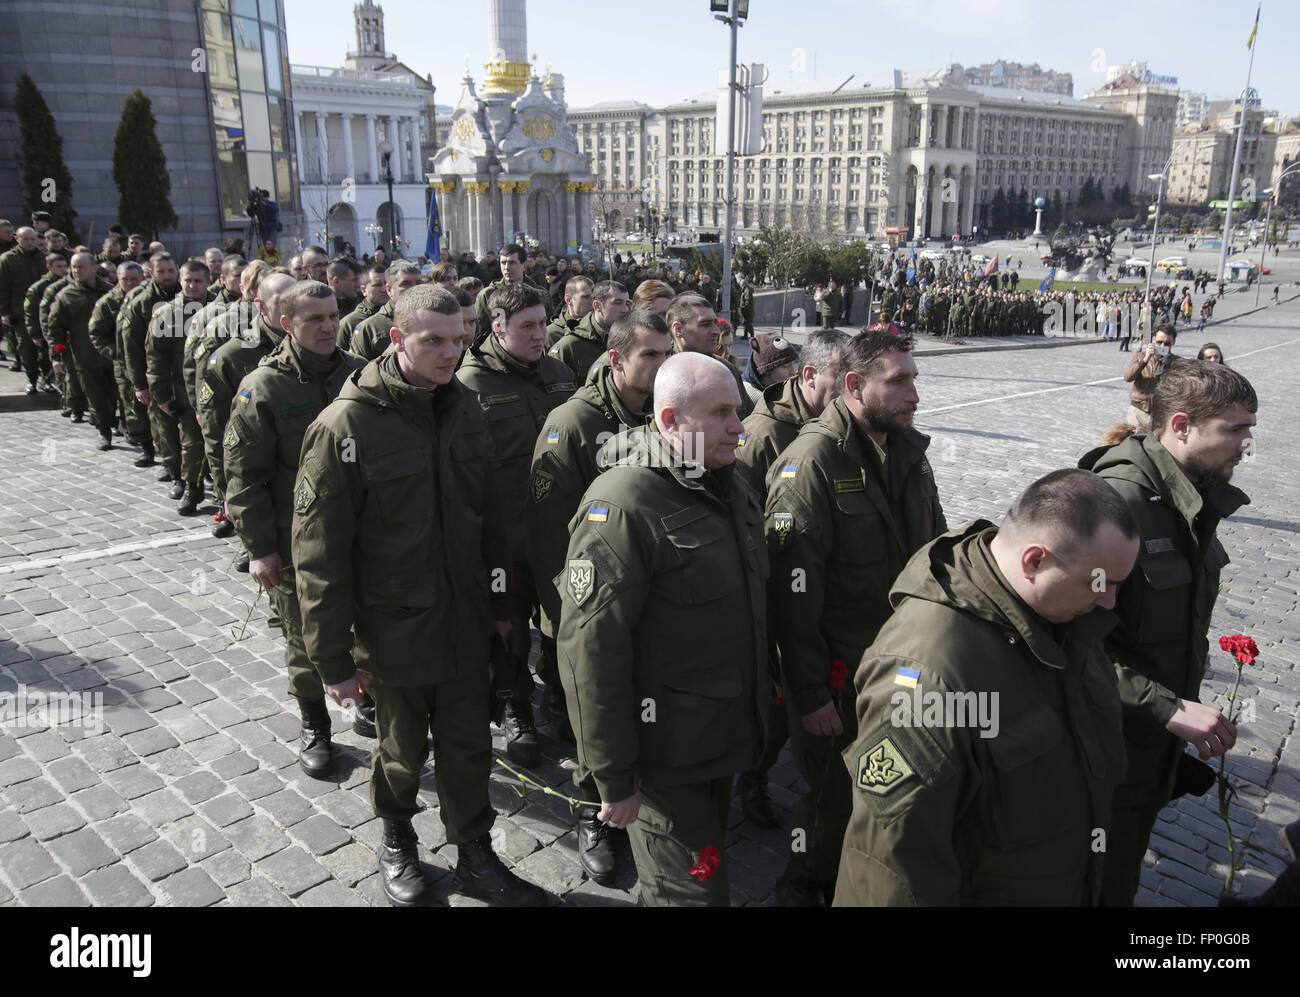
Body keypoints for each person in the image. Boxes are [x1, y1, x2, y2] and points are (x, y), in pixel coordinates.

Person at [292, 283, 546, 907]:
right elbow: (318, 554)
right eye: (433, 340)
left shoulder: (464, 408)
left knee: (468, 748)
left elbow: (489, 519)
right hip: (393, 629)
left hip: (465, 623)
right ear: (397, 338)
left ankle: (475, 856)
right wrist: (332, 659)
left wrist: (504, 609)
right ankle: (398, 840)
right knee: (402, 754)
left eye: (459, 339)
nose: (449, 353)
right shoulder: (344, 425)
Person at [834, 470, 1140, 905]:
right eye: (1101, 582)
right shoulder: (930, 677)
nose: (1110, 600)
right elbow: (892, 866)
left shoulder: (1064, 616)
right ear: (1034, 560)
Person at [556, 351, 767, 907]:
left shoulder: (728, 480)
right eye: (721, 413)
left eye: (738, 411)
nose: (738, 427)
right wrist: (613, 777)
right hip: (665, 757)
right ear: (671, 422)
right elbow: (590, 652)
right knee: (690, 896)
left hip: (719, 737)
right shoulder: (624, 505)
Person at [765, 329, 947, 906]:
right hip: (839, 676)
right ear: (852, 386)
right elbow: (792, 597)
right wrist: (810, 692)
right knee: (828, 798)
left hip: (898, 668)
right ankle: (801, 884)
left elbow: (935, 548)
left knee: (883, 789)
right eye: (898, 381)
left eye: (914, 378)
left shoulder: (906, 451)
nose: (913, 393)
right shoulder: (810, 463)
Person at [1082, 359, 1257, 907]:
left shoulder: (1187, 493)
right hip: (1102, 749)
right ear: (1180, 426)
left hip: (1146, 746)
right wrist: (1167, 707)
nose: (1245, 445)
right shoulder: (1120, 504)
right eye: (1234, 430)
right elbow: (1069, 646)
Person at [528, 310, 672, 885]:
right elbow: (544, 534)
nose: (663, 366)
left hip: (652, 600)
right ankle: (593, 813)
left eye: (669, 353)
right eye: (650, 356)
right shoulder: (574, 423)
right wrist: (571, 619)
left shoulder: (665, 419)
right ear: (617, 360)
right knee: (596, 708)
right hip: (585, 602)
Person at [224, 281, 365, 778]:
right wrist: (260, 548)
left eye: (332, 316)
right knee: (305, 637)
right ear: (287, 323)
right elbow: (244, 474)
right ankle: (315, 724)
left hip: (361, 535)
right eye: (314, 319)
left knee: (366, 625)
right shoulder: (263, 387)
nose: (328, 326)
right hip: (295, 542)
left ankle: (366, 697)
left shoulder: (358, 373)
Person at [731, 329, 849, 827]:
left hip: (820, 591)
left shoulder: (839, 424)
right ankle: (752, 775)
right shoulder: (762, 435)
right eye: (843, 380)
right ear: (808, 377)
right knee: (776, 706)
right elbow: (738, 517)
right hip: (770, 594)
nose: (852, 390)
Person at [456, 282, 575, 766]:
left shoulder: (561, 373)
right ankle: (515, 708)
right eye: (527, 326)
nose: (539, 334)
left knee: (562, 625)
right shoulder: (468, 384)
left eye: (544, 323)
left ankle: (559, 701)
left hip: (557, 535)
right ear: (497, 327)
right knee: (507, 631)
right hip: (500, 539)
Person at [146, 259, 212, 515]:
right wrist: (160, 394)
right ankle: (192, 488)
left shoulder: (223, 310)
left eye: (198, 281)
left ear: (208, 281)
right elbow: (155, 358)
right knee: (192, 445)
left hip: (217, 389)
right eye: (188, 281)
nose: (193, 286)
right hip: (184, 392)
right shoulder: (167, 314)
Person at [46, 253, 116, 450]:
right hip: (84, 356)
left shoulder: (110, 292)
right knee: (95, 397)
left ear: (94, 268)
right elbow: (55, 328)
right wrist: (57, 355)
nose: (77, 271)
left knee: (115, 394)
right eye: (74, 267)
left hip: (111, 355)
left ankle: (121, 424)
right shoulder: (66, 296)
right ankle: (104, 432)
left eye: (81, 267)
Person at [667, 293, 753, 419]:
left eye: (715, 323)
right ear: (679, 329)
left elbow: (745, 423)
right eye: (705, 324)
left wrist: (739, 439)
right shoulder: (660, 372)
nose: (716, 331)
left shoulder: (726, 370)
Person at [548, 279, 630, 384]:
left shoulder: (628, 340)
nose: (625, 309)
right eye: (617, 303)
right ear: (597, 306)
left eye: (627, 303)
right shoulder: (569, 346)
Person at [349, 261, 422, 360]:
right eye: (406, 283)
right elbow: (360, 370)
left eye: (418, 283)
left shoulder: (433, 319)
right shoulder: (369, 328)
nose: (414, 288)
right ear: (389, 290)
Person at [1123, 324, 1177, 433]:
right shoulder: (1141, 356)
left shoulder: (1176, 362)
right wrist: (1145, 359)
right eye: (1159, 342)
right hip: (1139, 411)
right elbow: (1128, 377)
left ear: (1173, 343)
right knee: (1135, 446)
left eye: (1167, 344)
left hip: (1162, 415)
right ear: (1153, 340)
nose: (1162, 346)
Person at [474, 242, 527, 338]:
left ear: (524, 265)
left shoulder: (539, 294)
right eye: (503, 263)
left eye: (512, 262)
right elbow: (481, 332)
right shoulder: (488, 295)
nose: (507, 268)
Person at [336, 263, 388, 349]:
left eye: (386, 284)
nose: (383, 289)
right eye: (377, 285)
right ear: (364, 290)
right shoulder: (349, 323)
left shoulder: (398, 315)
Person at [741, 336, 798, 406]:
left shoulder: (780, 390)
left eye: (793, 364)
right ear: (767, 370)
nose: (793, 372)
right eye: (786, 366)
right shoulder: (750, 399)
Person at [545, 275, 594, 348]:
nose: (592, 302)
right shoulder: (552, 333)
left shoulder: (598, 327)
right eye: (585, 297)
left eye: (594, 297)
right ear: (568, 299)